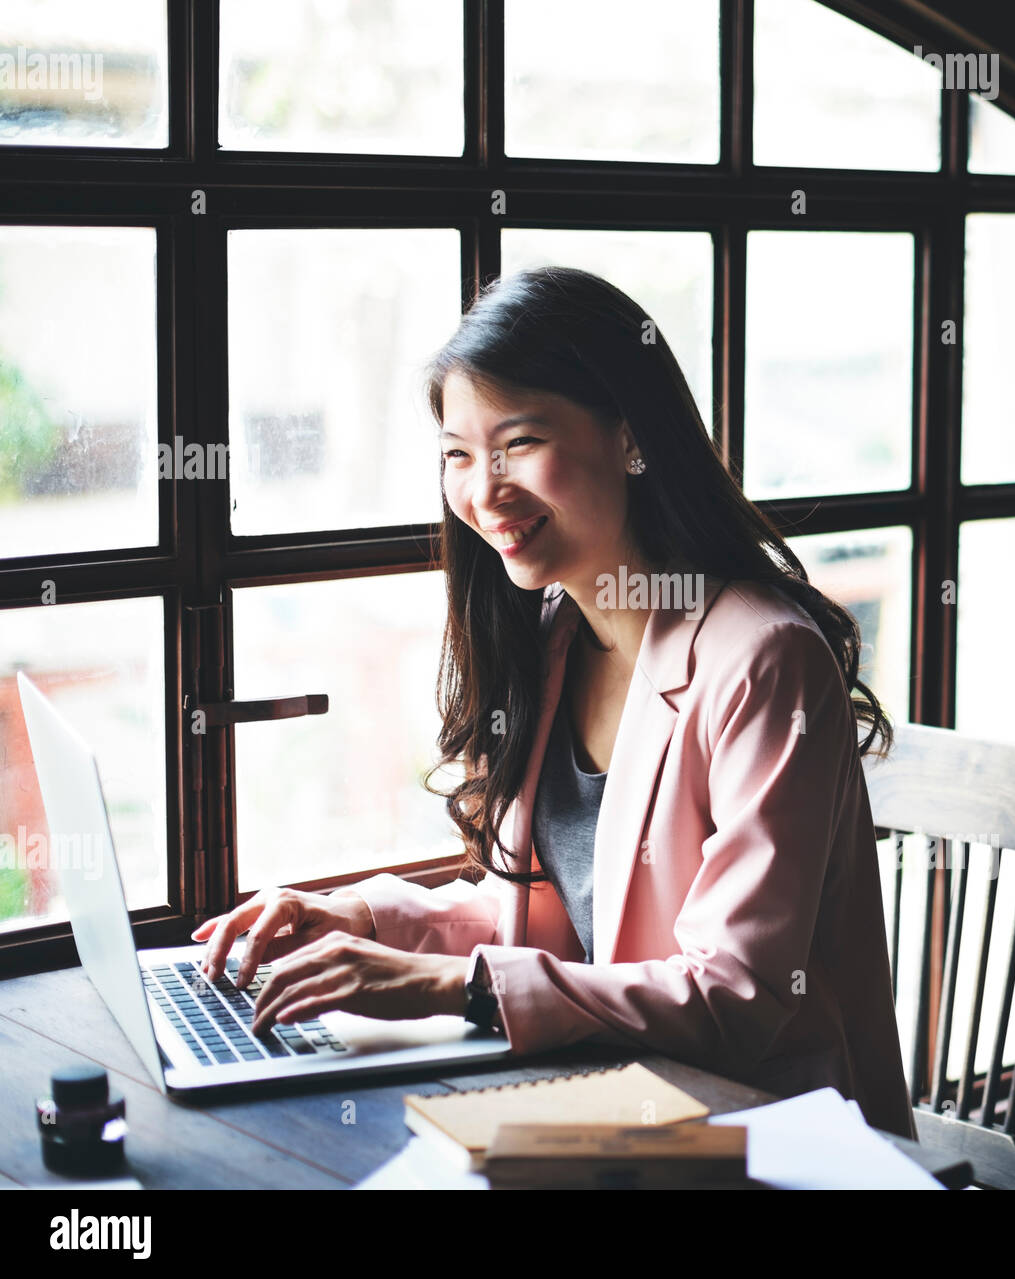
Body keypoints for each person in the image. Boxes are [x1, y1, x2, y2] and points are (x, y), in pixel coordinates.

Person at [193, 266, 915, 1139]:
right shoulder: (553, 637)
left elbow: (738, 993)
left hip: (770, 1132)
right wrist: (362, 916)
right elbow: (554, 924)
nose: (483, 490)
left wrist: (450, 984)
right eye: (458, 454)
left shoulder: (764, 659)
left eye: (520, 442)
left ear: (630, 438)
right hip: (618, 1109)